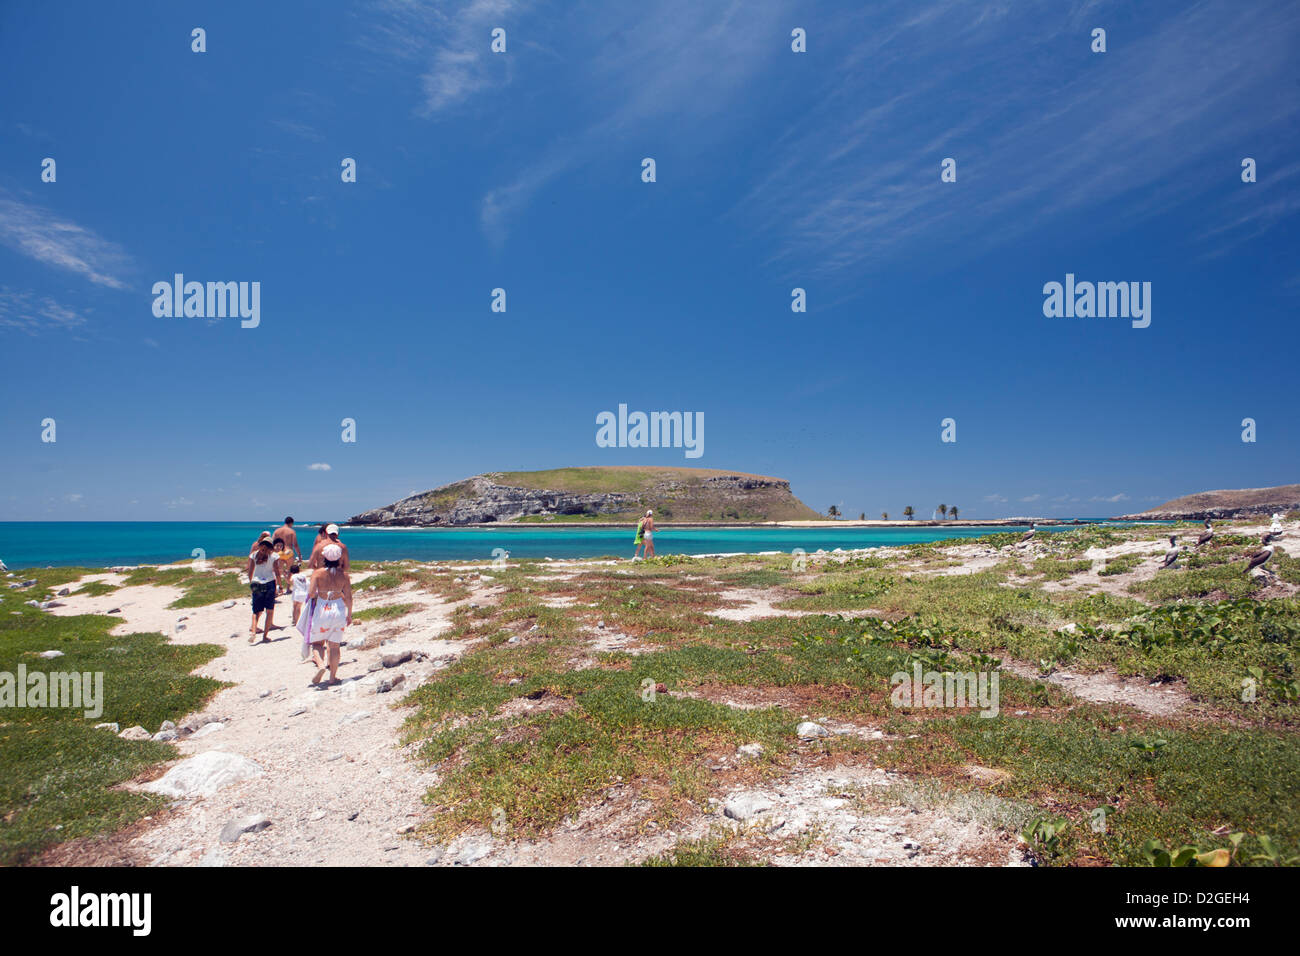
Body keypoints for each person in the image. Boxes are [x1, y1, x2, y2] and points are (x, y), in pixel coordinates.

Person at [307, 543, 352, 685]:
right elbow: (349, 597)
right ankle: (332, 678)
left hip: (322, 608)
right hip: (338, 609)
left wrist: (319, 594)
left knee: (317, 643)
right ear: (339, 558)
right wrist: (349, 614)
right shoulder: (344, 575)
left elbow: (311, 593)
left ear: (324, 557)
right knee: (334, 646)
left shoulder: (317, 573)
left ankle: (320, 665)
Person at [246, 538, 279, 643]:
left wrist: (251, 583)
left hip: (256, 583)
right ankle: (265, 636)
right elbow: (277, 572)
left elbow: (250, 572)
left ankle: (253, 632)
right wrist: (280, 586)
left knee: (256, 611)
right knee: (269, 611)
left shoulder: (253, 555)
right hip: (269, 582)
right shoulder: (274, 556)